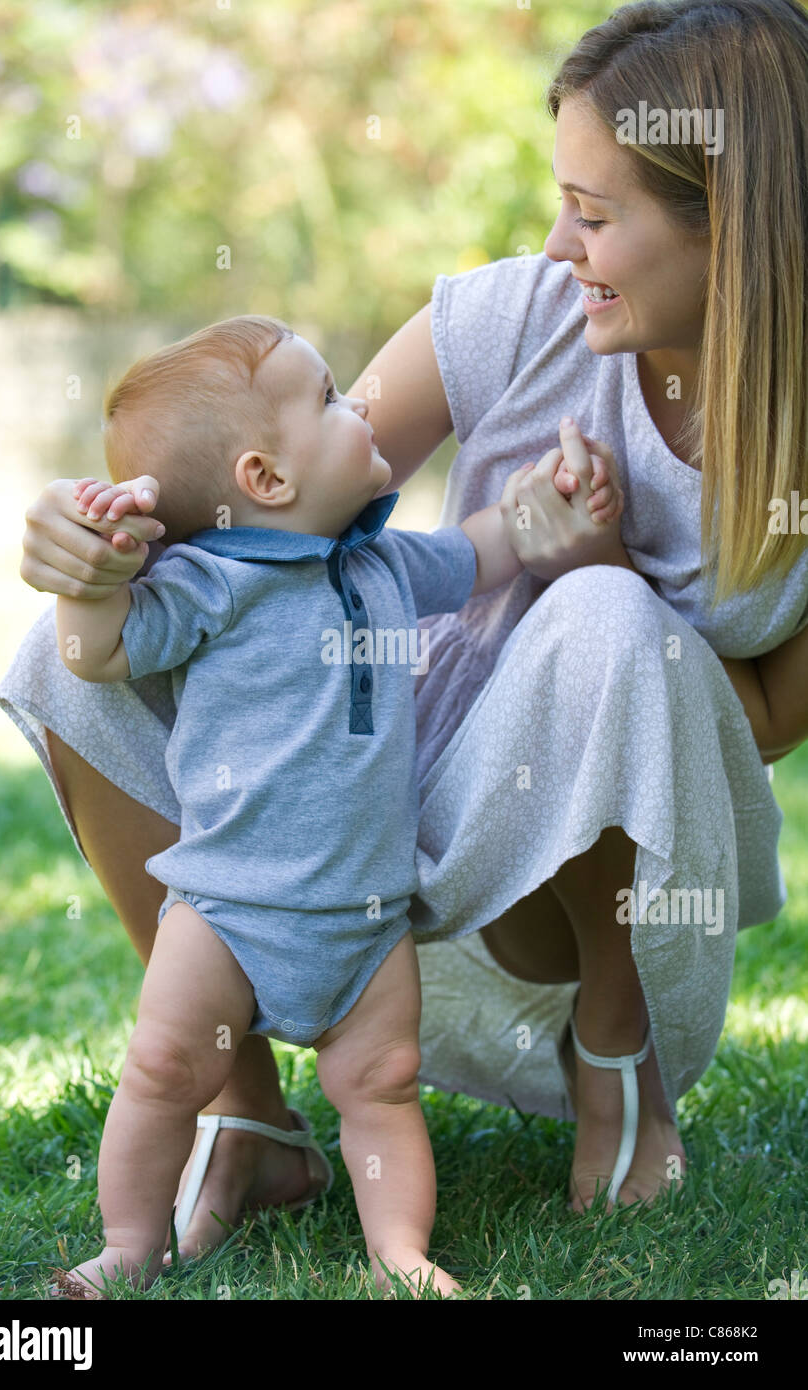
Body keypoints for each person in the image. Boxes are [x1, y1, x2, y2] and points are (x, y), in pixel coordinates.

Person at [0, 0, 807, 1260]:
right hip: (365, 790)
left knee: (606, 613)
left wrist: (597, 566)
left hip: (571, 860)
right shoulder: (513, 317)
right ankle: (244, 1107)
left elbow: (758, 727)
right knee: (60, 660)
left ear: (736, 227)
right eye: (561, 203)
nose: (558, 245)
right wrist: (93, 547)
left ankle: (617, 1055)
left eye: (593, 215)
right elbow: (277, 492)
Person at [46, 316, 623, 1298]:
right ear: (265, 478)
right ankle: (129, 1244)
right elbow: (100, 651)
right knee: (163, 1071)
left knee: (382, 1086)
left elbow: (484, 550)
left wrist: (549, 504)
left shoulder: (382, 566)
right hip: (224, 914)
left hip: (364, 921)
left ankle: (399, 1253)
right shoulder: (209, 582)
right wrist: (93, 579)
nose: (358, 403)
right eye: (328, 398)